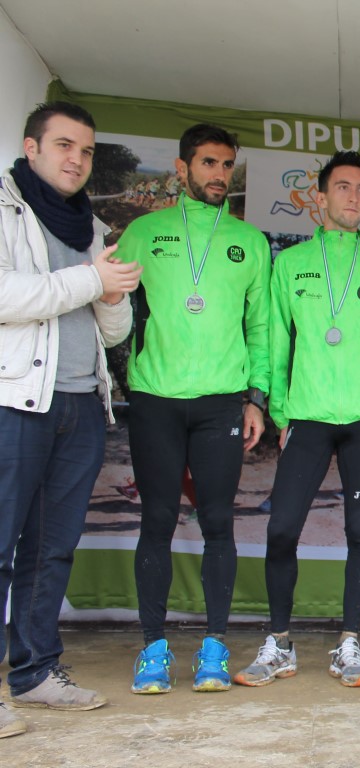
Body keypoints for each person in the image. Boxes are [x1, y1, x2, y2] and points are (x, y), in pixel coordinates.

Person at [233, 151, 360, 689]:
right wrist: (281, 412)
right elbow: (275, 343)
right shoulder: (289, 265)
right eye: (343, 188)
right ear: (320, 197)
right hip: (307, 420)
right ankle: (280, 643)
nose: (353, 198)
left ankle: (350, 642)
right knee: (282, 527)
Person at [0, 102, 141, 738]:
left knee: (51, 550)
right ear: (31, 148)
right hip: (17, 402)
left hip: (83, 405)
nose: (74, 160)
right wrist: (91, 279)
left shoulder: (91, 225)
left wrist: (111, 295)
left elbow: (114, 330)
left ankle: (33, 674)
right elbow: (6, 297)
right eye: (63, 146)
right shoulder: (6, 208)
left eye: (84, 151)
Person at [117, 123, 271, 693]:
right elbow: (114, 307)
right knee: (156, 520)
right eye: (208, 163)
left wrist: (255, 398)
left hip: (220, 404)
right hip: (155, 398)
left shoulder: (249, 243)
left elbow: (260, 329)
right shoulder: (142, 232)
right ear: (182, 169)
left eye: (226, 165)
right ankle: (152, 648)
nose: (218, 175)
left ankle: (214, 646)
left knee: (218, 524)